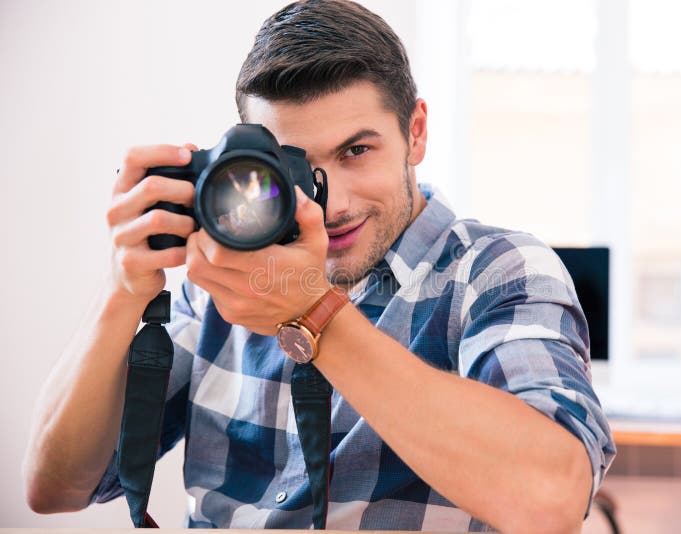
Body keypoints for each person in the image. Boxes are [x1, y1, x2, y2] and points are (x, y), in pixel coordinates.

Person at [22, 1, 616, 531]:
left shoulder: (494, 272)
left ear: (416, 133)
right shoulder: (222, 289)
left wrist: (313, 313)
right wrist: (122, 291)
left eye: (357, 151)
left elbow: (550, 500)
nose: (331, 205)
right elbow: (56, 487)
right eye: (297, 166)